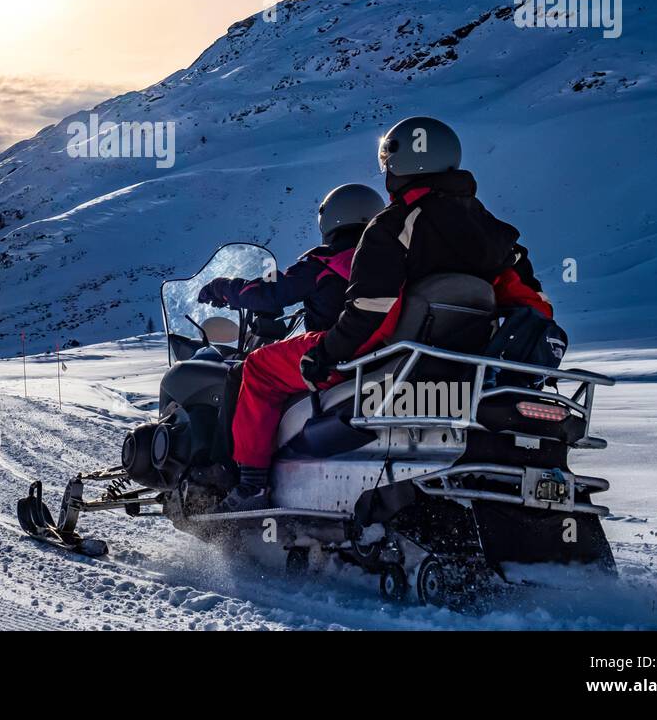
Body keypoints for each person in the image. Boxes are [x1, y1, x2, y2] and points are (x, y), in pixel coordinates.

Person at [217, 116, 552, 514]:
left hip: (384, 356)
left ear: (398, 163)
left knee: (257, 368)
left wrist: (326, 356)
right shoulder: (498, 234)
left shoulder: (393, 226)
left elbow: (370, 309)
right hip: (460, 362)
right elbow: (532, 303)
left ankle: (251, 485)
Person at [196, 182, 385, 332]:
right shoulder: (388, 260)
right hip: (372, 353)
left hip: (329, 357)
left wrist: (221, 288)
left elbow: (268, 293)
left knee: (248, 369)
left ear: (331, 216)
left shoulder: (325, 265)